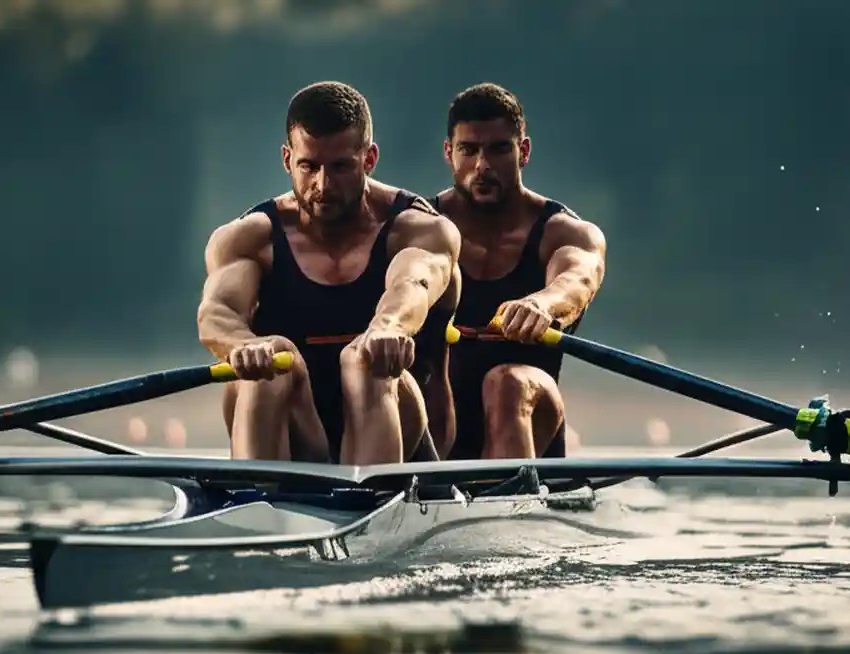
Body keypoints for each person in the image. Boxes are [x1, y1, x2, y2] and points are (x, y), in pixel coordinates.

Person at [197, 81, 460, 465]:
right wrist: (240, 344)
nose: (323, 185)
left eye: (340, 167)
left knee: (365, 358)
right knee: (273, 359)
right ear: (288, 159)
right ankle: (260, 502)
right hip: (299, 434)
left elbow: (413, 283)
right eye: (309, 166)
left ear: (369, 159)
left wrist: (387, 329)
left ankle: (371, 500)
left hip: (398, 433)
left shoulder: (420, 230)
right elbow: (215, 314)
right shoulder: (248, 238)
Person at [429, 83, 607, 460]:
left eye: (498, 149)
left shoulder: (565, 232)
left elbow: (578, 280)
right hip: (436, 430)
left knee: (506, 382)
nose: (483, 166)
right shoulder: (419, 226)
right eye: (468, 150)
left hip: (528, 416)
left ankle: (510, 498)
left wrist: (542, 305)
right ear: (449, 153)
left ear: (522, 151)